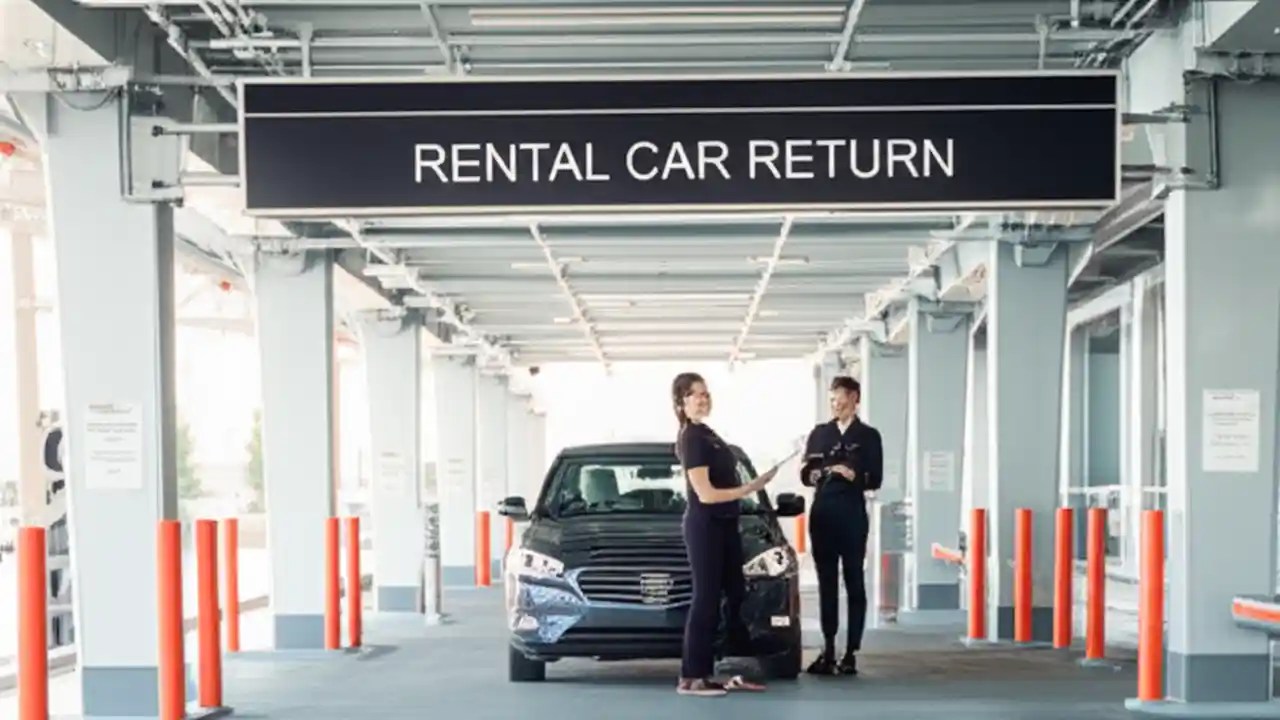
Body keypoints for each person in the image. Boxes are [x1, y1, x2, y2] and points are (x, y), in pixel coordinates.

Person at [671, 371, 779, 697]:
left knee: (733, 592)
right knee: (705, 598)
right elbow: (705, 494)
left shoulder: (708, 434)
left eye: (706, 393)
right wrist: (749, 488)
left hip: (725, 524)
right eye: (696, 394)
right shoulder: (692, 438)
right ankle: (692, 677)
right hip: (706, 525)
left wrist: (753, 485)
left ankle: (723, 669)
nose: (704, 399)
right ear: (681, 402)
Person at [801, 375, 883, 676]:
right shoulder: (820, 434)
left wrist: (854, 475)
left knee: (854, 580)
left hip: (852, 514)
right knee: (826, 583)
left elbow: (875, 478)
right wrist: (824, 471)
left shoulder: (869, 436)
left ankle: (851, 651)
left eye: (840, 399)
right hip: (823, 514)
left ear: (855, 398)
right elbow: (806, 473)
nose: (836, 404)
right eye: (832, 400)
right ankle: (828, 647)